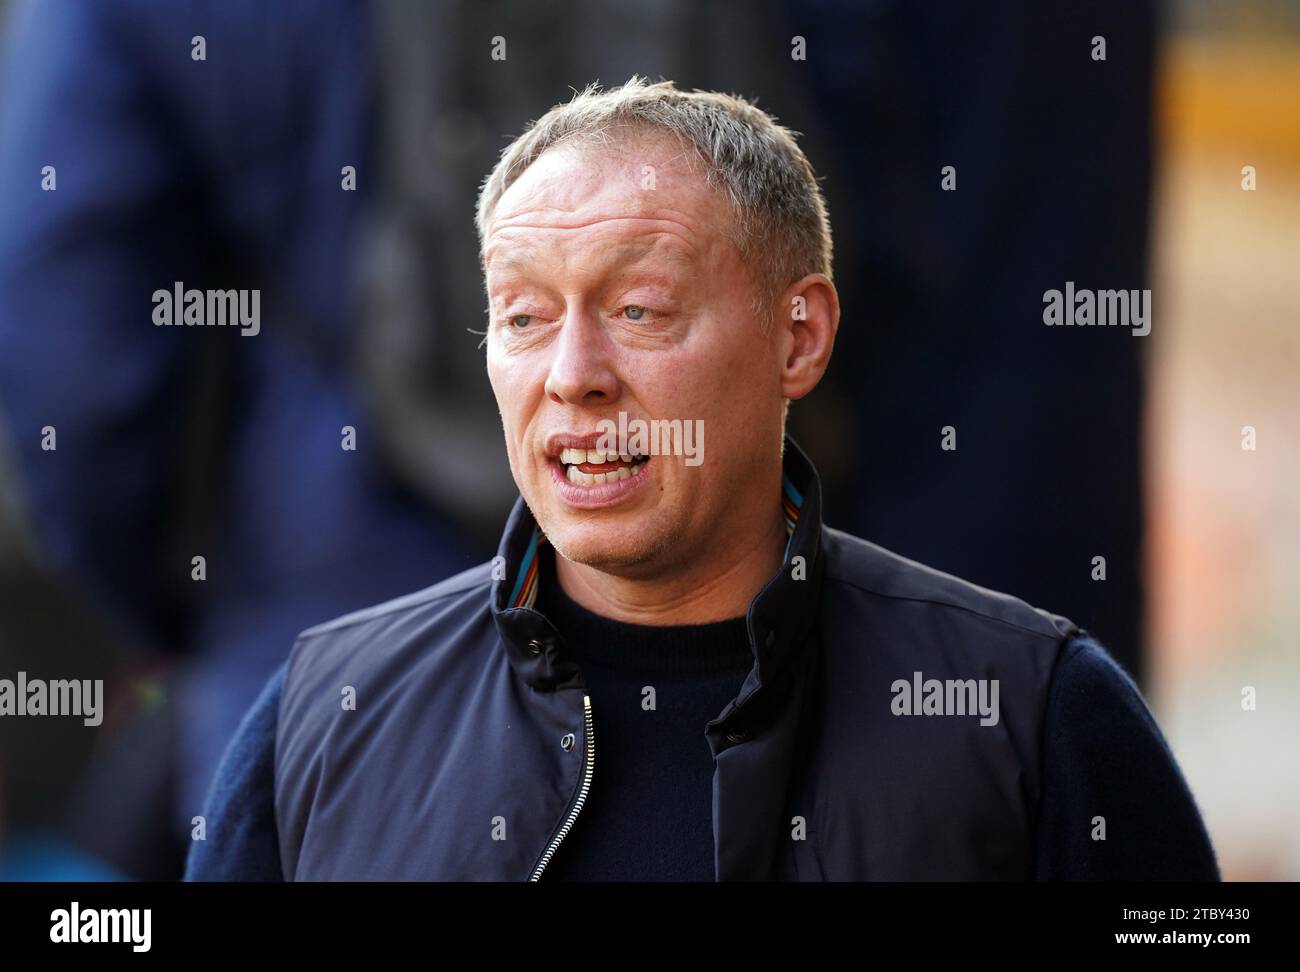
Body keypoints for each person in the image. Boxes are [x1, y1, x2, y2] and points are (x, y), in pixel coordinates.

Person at [186, 78, 1217, 882]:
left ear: (797, 336)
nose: (573, 376)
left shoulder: (1031, 713)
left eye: (639, 310)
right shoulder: (326, 714)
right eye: (523, 316)